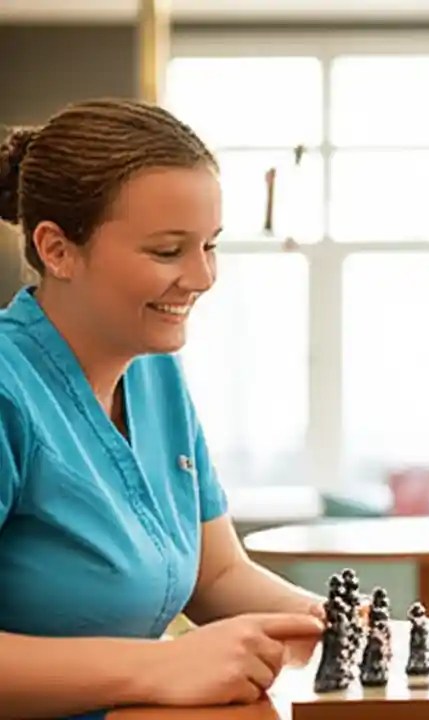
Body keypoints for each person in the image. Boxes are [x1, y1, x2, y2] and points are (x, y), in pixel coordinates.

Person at [0, 99, 325, 720]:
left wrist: (332, 621)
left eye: (210, 246)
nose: (202, 277)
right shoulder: (7, 393)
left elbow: (217, 574)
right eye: (168, 251)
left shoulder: (156, 375)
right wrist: (164, 664)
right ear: (58, 249)